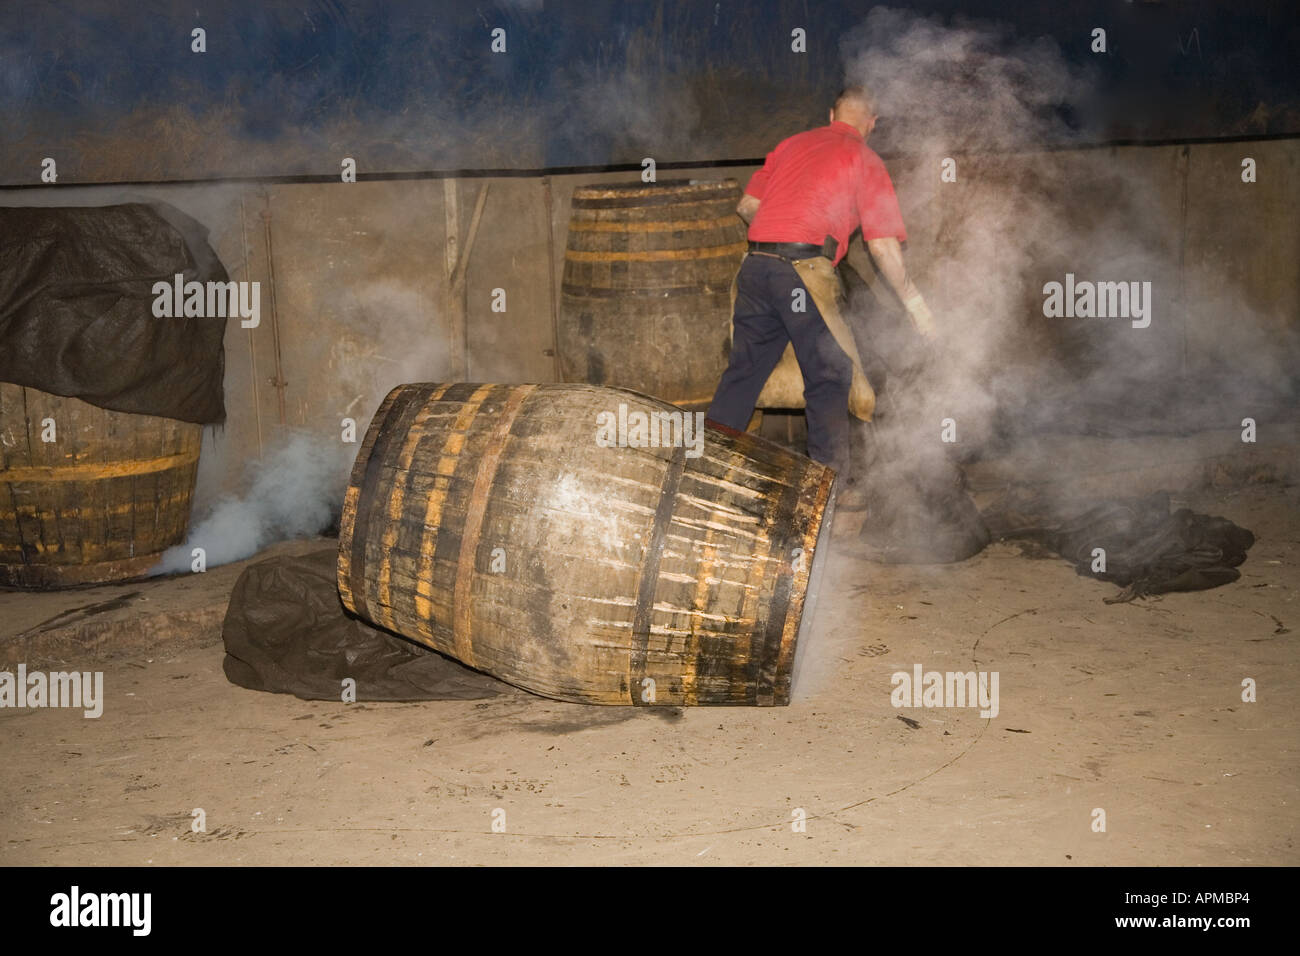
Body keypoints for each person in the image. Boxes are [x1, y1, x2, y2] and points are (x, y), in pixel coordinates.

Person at [706, 85, 937, 482]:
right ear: (871, 124)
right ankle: (824, 499)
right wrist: (915, 304)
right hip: (802, 273)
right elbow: (881, 247)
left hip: (757, 267)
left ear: (832, 115)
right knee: (830, 377)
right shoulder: (865, 158)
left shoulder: (791, 145)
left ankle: (703, 473)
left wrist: (779, 238)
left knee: (743, 375)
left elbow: (747, 207)